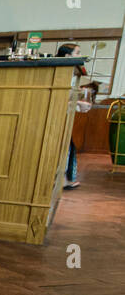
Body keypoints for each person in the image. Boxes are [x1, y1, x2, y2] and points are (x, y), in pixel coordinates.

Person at [58, 41, 93, 189]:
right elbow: (57, 102)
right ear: (67, 56)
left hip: (63, 119)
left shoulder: (70, 75)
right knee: (64, 149)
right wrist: (78, 103)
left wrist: (78, 104)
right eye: (77, 53)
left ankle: (63, 181)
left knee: (68, 148)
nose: (80, 56)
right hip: (56, 120)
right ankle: (61, 182)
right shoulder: (59, 74)